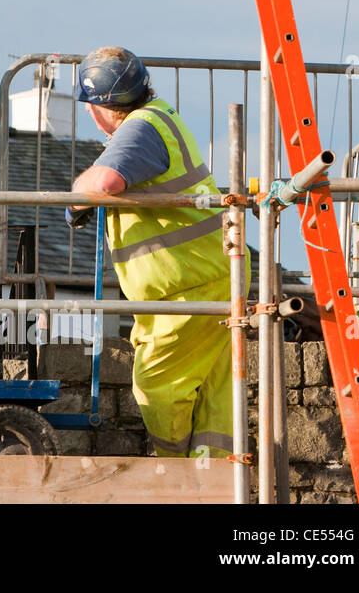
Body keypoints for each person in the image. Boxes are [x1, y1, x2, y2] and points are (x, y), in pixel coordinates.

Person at [68, 46, 245, 459]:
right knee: (214, 390)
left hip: (189, 286)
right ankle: (215, 481)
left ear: (98, 105)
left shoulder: (140, 128)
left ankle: (176, 472)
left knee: (157, 385)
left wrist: (75, 200)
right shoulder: (158, 116)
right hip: (202, 276)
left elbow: (106, 183)